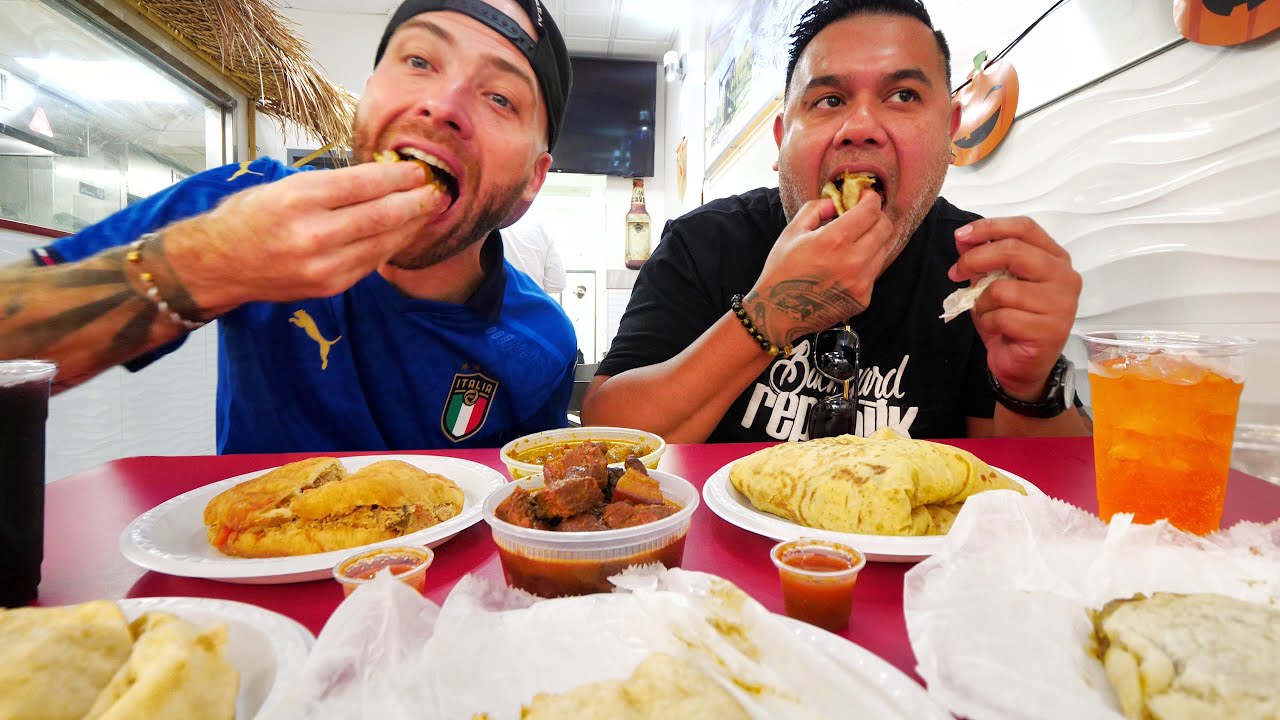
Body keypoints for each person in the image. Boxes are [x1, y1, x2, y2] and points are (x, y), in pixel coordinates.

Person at [0, 0, 578, 453]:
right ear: (368, 96)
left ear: (532, 179)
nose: (444, 104)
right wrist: (209, 262)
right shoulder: (240, 201)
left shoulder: (542, 341)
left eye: (500, 97)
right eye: (420, 61)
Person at [582, 0, 1091, 443]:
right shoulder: (705, 241)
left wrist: (1031, 385)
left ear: (949, 130)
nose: (862, 127)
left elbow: (1024, 503)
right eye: (829, 100)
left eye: (904, 96)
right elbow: (605, 437)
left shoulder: (976, 266)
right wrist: (769, 314)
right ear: (782, 141)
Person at [501, 215, 567, 295]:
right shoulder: (541, 229)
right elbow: (557, 284)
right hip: (534, 302)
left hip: (495, 303)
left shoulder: (490, 226)